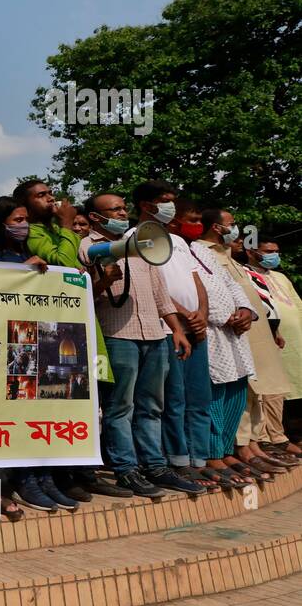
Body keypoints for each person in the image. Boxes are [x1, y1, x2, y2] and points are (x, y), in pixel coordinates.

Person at [80, 193, 200, 497]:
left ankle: (155, 466)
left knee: (151, 406)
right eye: (115, 210)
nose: (123, 213)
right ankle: (126, 469)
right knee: (120, 407)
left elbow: (161, 295)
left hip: (154, 336)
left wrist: (176, 330)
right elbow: (81, 298)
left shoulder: (144, 243)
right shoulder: (86, 247)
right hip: (116, 336)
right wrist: (105, 281)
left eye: (123, 208)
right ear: (95, 217)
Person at [13, 178, 124, 499]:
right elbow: (62, 263)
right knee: (55, 405)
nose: (51, 199)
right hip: (52, 333)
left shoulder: (59, 233)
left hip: (81, 329)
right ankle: (55, 476)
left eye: (51, 193)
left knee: (86, 405)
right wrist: (65, 224)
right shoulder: (33, 233)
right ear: (26, 203)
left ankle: (83, 471)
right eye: (41, 195)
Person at [132, 183, 219, 492]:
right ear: (145, 205)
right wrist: (181, 315)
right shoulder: (136, 239)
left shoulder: (179, 242)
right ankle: (178, 460)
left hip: (196, 328)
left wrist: (202, 313)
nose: (169, 206)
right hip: (168, 329)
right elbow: (154, 287)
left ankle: (199, 460)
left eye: (171, 201)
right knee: (174, 399)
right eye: (163, 201)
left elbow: (197, 280)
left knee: (199, 398)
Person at [200, 209, 294, 480]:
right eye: (232, 224)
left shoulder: (228, 255)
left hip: (256, 330)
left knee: (258, 392)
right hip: (236, 334)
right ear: (217, 228)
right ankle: (242, 447)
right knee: (245, 392)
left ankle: (253, 444)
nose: (237, 230)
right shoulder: (205, 253)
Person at [0, 197, 51, 517]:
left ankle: (37, 475)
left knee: (33, 413)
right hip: (2, 346)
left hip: (30, 341)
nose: (23, 226)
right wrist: (21, 271)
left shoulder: (25, 253)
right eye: (17, 220)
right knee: (7, 416)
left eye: (25, 220)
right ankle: (12, 479)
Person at [171, 204, 257, 489]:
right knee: (212, 393)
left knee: (237, 388)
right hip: (205, 330)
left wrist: (245, 309)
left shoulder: (203, 251)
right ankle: (212, 453)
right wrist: (216, 316)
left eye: (198, 219)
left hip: (232, 332)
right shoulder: (171, 249)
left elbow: (232, 286)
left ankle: (226, 449)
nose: (196, 224)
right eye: (191, 220)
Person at [255, 240, 302, 456]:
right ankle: (280, 439)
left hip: (296, 342)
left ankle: (295, 436)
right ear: (253, 251)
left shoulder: (281, 277)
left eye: (276, 251)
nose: (274, 255)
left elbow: (298, 306)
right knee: (277, 393)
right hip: (273, 342)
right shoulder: (249, 274)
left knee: (298, 391)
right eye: (268, 251)